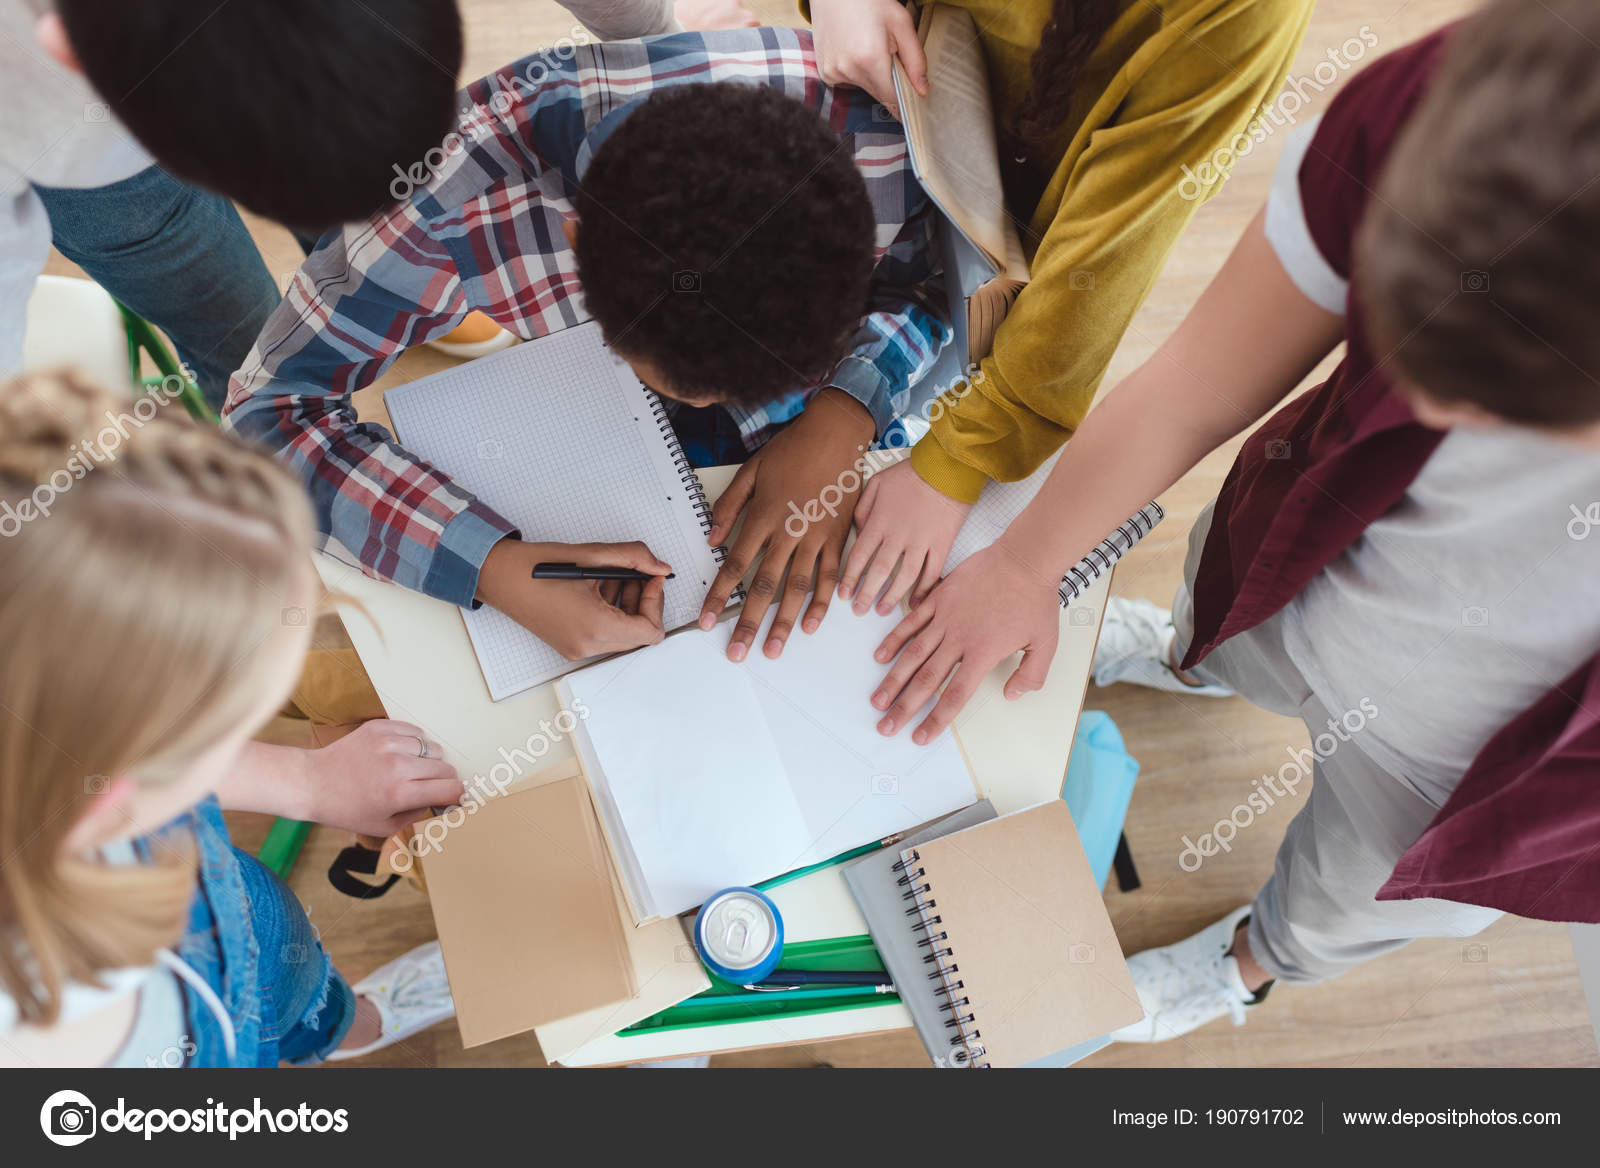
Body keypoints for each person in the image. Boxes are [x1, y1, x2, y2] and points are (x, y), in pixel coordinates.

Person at [868, 0, 1600, 1040]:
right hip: (1296, 569)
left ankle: (1246, 965)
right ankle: (1186, 663)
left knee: (1345, 898)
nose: (1417, 413)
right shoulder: (1460, 107)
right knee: (1214, 626)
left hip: (1476, 788)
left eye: (1500, 413)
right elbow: (1196, 383)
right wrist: (1027, 563)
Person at [223, 28, 951, 667]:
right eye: (689, 381)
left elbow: (924, 289)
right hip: (584, 467)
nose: (712, 403)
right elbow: (267, 417)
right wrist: (490, 567)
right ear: (581, 246)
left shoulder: (885, 129)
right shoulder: (445, 203)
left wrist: (842, 415)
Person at [0, 370, 458, 1067]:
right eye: (228, 734)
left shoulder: (64, 757)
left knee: (301, 990)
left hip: (228, 911)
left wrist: (306, 782)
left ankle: (344, 1023)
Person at [797, 0, 1313, 616]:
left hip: (1031, 249)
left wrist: (957, 461)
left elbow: (1101, 266)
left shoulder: (1240, 16)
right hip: (895, 135)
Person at [1, 0, 465, 406]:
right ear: (63, 46)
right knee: (248, 350)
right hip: (92, 176)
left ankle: (384, 289)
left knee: (369, 235)